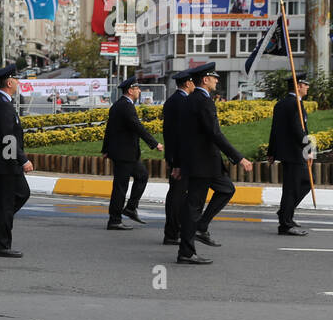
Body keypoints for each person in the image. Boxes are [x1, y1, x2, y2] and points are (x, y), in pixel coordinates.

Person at [177, 63, 253, 264]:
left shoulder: (191, 100)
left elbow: (180, 136)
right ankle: (186, 252)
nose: (217, 80)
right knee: (193, 206)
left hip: (203, 164)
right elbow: (215, 134)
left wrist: (177, 163)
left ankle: (201, 227)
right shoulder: (203, 101)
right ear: (205, 80)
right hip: (201, 164)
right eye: (214, 77)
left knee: (226, 189)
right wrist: (239, 157)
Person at [0, 64, 32, 258]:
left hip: (3, 161)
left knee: (21, 193)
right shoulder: (2, 104)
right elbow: (7, 136)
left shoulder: (0, 102)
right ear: (9, 82)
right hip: (6, 163)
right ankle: (1, 244)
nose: (18, 83)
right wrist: (22, 160)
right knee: (6, 204)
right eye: (17, 80)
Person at [101, 75, 162, 231]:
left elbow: (109, 129)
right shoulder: (126, 106)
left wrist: (106, 149)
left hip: (126, 153)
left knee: (142, 176)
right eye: (137, 88)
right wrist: (154, 143)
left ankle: (130, 208)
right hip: (124, 153)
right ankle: (114, 220)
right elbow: (137, 127)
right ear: (130, 90)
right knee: (120, 187)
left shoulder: (119, 105)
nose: (140, 91)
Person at [268, 76, 312, 236]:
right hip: (295, 152)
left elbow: (274, 129)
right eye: (306, 85)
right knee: (293, 189)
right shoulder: (295, 105)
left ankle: (285, 213)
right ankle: (285, 224)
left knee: (303, 184)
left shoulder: (280, 104)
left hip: (287, 153)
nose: (307, 88)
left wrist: (271, 151)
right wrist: (308, 148)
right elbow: (297, 130)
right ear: (299, 85)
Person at [161, 68, 194, 245]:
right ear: (188, 83)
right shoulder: (182, 102)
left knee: (177, 194)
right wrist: (178, 162)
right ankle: (173, 232)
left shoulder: (174, 100)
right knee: (177, 195)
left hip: (175, 155)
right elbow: (180, 134)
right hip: (179, 157)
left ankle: (174, 230)